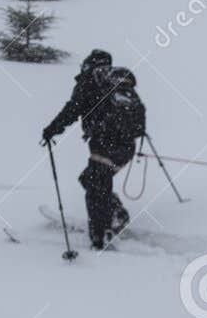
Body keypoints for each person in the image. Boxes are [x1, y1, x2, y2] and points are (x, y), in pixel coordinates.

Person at [41, 50, 146, 250]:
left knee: (96, 186)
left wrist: (51, 130)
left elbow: (72, 110)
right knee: (91, 180)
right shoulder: (118, 83)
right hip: (126, 146)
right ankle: (115, 213)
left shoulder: (90, 83)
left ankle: (100, 237)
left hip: (105, 145)